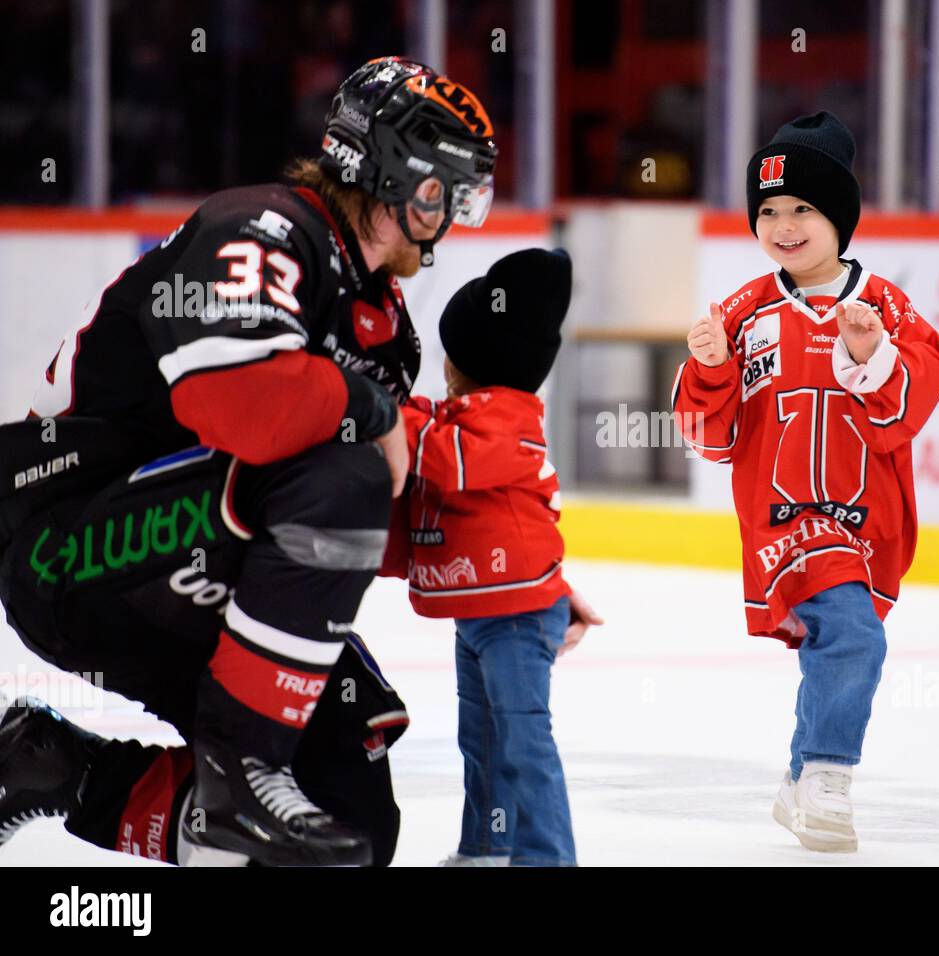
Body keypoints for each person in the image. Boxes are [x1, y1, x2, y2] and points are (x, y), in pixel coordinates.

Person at [0, 56, 498, 866]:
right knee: (345, 467)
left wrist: (526, 567)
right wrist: (369, 410)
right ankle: (239, 770)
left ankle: (55, 769)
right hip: (63, 547)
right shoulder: (262, 228)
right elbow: (236, 405)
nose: (452, 220)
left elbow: (358, 528)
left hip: (184, 555)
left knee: (350, 830)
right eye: (446, 192)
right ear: (392, 176)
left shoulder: (382, 326)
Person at [670, 112, 939, 852]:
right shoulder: (739, 313)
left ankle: (797, 781)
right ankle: (828, 776)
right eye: (767, 211)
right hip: (782, 520)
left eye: (802, 208)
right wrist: (708, 370)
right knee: (853, 636)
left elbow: (908, 408)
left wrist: (872, 355)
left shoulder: (886, 307)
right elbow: (708, 438)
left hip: (868, 523)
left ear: (840, 217)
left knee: (838, 640)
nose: (783, 226)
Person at [379, 248, 590, 867]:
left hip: (517, 616)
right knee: (483, 738)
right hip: (486, 609)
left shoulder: (507, 423)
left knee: (522, 740)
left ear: (475, 361)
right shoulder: (463, 417)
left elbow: (446, 461)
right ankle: (488, 846)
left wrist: (387, 417)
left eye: (452, 352)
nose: (442, 367)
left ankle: (546, 858)